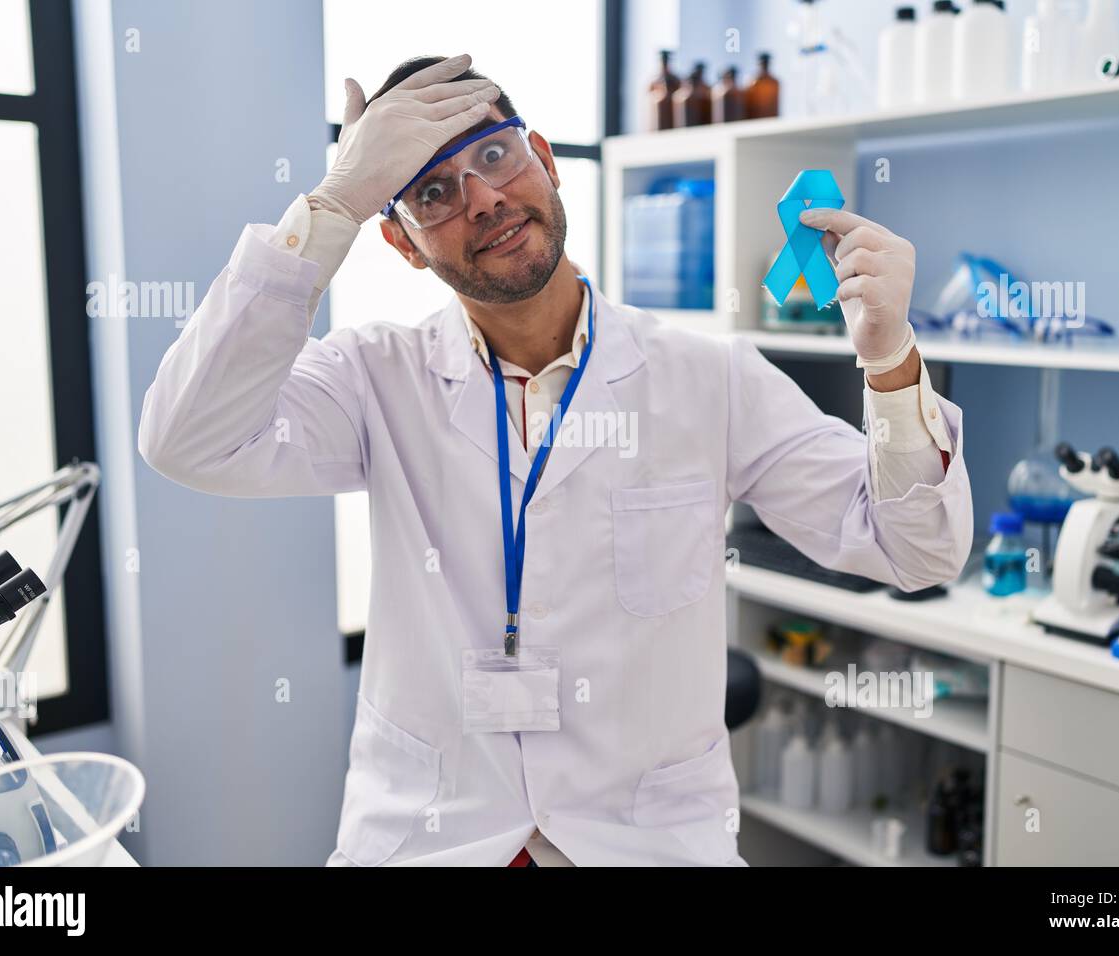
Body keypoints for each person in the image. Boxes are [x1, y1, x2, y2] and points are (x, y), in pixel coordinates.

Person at [138, 54, 971, 867]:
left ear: (544, 158)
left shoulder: (707, 378)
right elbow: (187, 437)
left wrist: (891, 359)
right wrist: (335, 202)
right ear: (401, 242)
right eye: (433, 191)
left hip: (644, 840)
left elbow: (916, 548)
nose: (484, 199)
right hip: (435, 837)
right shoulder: (372, 378)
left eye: (495, 155)